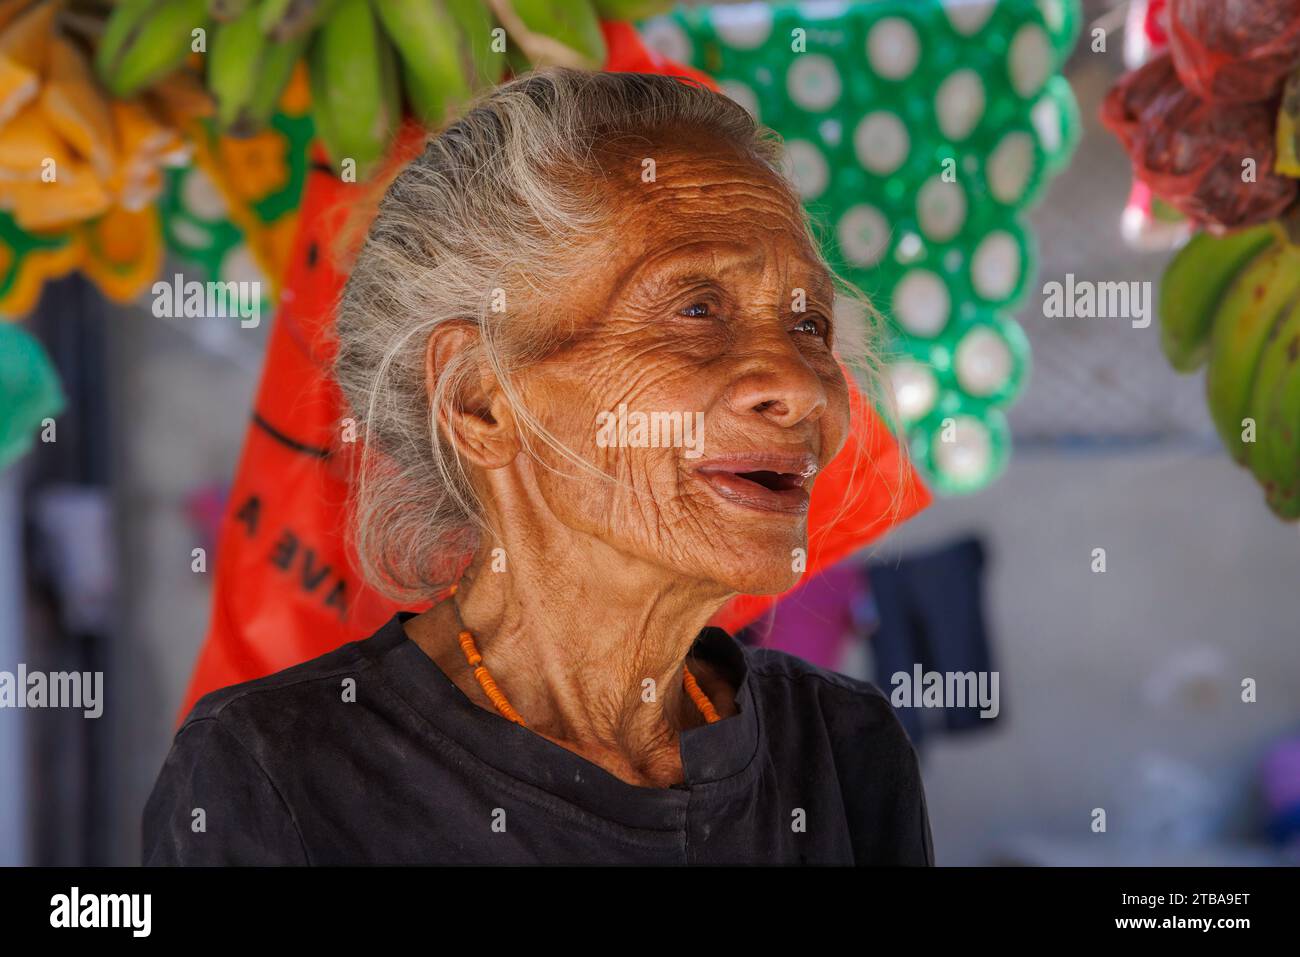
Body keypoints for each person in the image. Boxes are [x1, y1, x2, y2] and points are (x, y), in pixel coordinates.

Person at [143, 69, 932, 865]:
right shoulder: (274, 775)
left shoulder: (845, 753)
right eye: (696, 309)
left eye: (808, 323)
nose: (798, 386)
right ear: (482, 398)